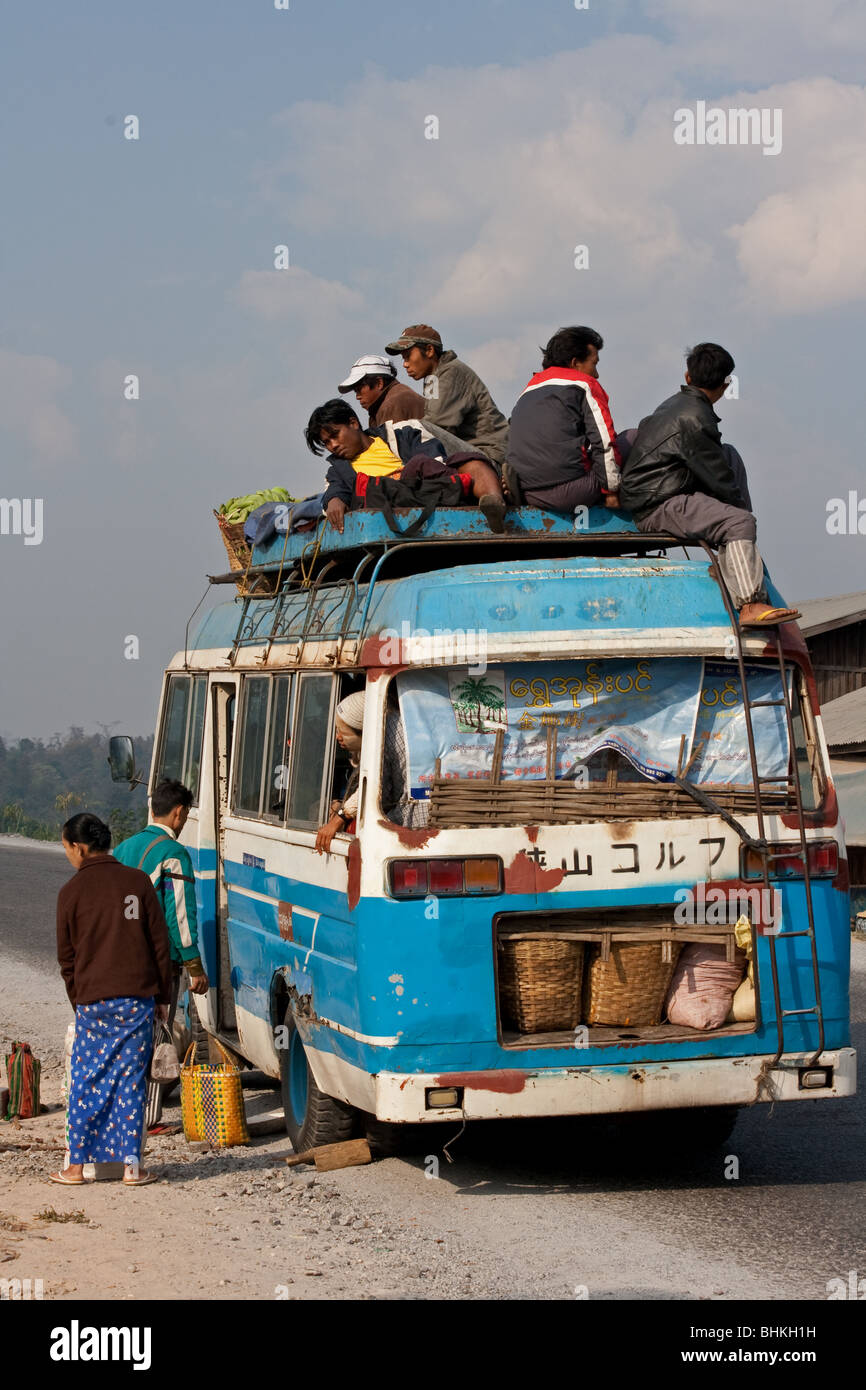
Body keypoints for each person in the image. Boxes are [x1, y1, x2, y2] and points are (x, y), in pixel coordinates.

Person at [619, 343, 799, 626]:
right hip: (658, 504)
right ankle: (750, 604)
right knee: (740, 522)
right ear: (725, 385)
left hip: (663, 487)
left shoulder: (675, 404)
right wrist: (741, 519)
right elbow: (720, 480)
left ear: (687, 377)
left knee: (730, 454)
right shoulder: (696, 418)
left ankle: (737, 550)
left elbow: (719, 466)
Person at [53, 813, 173, 1186]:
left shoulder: (71, 892)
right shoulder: (136, 883)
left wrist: (80, 998)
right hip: (138, 1000)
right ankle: (132, 1169)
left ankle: (76, 1168)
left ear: (79, 847)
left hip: (93, 1001)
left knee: (87, 1081)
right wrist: (163, 997)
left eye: (67, 848)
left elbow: (67, 959)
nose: (68, 855)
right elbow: (159, 945)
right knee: (130, 1081)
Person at [114, 780, 208, 1125]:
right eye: (184, 818)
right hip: (158, 963)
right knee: (158, 1035)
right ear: (179, 813)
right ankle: (148, 1117)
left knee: (126, 1036)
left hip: (122, 958)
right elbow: (179, 914)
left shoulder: (123, 849)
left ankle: (122, 1110)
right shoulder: (174, 854)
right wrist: (194, 964)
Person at [305, 398, 507, 533]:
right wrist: (333, 501)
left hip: (428, 486)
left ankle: (495, 505)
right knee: (420, 465)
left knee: (472, 461)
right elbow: (334, 492)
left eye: (335, 435)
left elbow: (435, 459)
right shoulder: (338, 471)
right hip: (392, 499)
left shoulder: (401, 433)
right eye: (327, 443)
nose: (333, 446)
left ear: (353, 423)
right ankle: (462, 488)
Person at [506, 326, 622, 512]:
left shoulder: (529, 388)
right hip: (571, 492)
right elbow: (604, 441)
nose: (596, 374)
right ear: (575, 363)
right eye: (594, 364)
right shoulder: (585, 384)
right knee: (629, 439)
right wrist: (611, 493)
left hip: (528, 492)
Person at [315, 690, 428, 853]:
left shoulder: (382, 738)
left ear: (363, 730)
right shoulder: (393, 723)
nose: (338, 737)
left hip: (416, 823)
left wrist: (339, 818)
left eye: (343, 732)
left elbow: (374, 788)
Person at [385, 324, 509, 465]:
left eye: (407, 356)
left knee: (415, 431)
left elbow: (436, 426)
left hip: (490, 455)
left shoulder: (450, 372)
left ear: (429, 350)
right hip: (475, 451)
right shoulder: (434, 376)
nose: (405, 364)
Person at [337, 353, 426, 427]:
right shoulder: (397, 395)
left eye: (359, 389)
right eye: (355, 391)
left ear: (379, 383)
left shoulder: (391, 405)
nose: (357, 397)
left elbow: (394, 447)